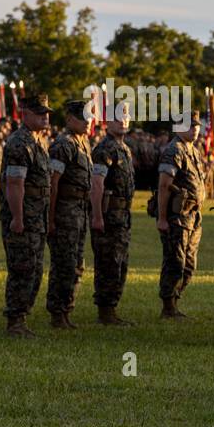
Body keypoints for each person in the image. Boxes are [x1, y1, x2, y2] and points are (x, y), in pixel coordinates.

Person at [0, 94, 54, 337]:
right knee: (22, 267)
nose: (46, 117)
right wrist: (18, 218)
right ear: (26, 114)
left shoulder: (38, 141)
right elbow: (14, 183)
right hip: (24, 217)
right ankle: (15, 320)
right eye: (40, 113)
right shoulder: (19, 143)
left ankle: (22, 316)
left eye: (47, 112)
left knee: (34, 268)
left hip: (36, 215)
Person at [45, 99, 95, 329]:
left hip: (79, 210)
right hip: (65, 211)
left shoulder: (83, 143)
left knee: (76, 263)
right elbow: (53, 184)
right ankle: (57, 312)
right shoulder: (63, 144)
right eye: (82, 117)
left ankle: (66, 309)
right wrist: (51, 218)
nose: (87, 122)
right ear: (69, 119)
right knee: (64, 263)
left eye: (89, 117)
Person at [89, 101, 137, 325]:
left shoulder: (124, 149)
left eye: (126, 116)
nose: (123, 120)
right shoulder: (104, 149)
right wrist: (97, 216)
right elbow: (97, 184)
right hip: (109, 216)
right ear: (107, 122)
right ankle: (105, 311)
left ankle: (112, 308)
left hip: (122, 216)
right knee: (108, 263)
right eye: (119, 117)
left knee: (120, 263)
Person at [156, 110, 206, 319]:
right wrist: (162, 218)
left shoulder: (193, 150)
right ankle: (168, 306)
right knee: (175, 261)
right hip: (177, 216)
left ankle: (175, 300)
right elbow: (164, 185)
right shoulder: (174, 150)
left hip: (193, 216)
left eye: (196, 125)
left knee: (189, 264)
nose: (195, 129)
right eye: (190, 125)